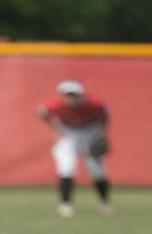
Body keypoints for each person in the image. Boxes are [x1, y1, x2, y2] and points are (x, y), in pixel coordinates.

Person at [37, 79, 112, 217]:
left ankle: (105, 203)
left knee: (97, 170)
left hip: (90, 131)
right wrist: (55, 131)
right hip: (68, 132)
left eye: (74, 95)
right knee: (66, 167)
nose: (71, 98)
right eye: (68, 95)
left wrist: (102, 135)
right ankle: (65, 205)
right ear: (62, 95)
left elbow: (105, 116)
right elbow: (42, 113)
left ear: (81, 95)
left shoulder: (94, 104)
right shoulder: (55, 105)